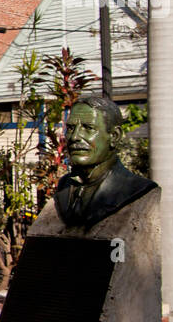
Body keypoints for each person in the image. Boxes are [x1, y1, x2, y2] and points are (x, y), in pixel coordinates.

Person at [53, 95, 156, 228]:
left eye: (88, 128)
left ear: (114, 136)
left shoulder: (136, 189)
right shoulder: (64, 186)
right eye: (71, 128)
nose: (75, 137)